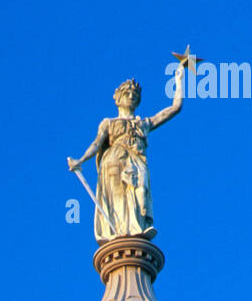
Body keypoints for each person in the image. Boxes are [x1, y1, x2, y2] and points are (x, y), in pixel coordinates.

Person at [67, 70, 184, 241]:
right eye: (127, 93)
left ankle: (138, 226)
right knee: (118, 198)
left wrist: (179, 80)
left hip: (137, 161)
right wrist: (81, 160)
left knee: (141, 194)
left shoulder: (143, 123)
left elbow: (175, 108)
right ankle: (120, 232)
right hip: (114, 160)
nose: (131, 96)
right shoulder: (109, 123)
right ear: (118, 98)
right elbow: (96, 144)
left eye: (134, 94)